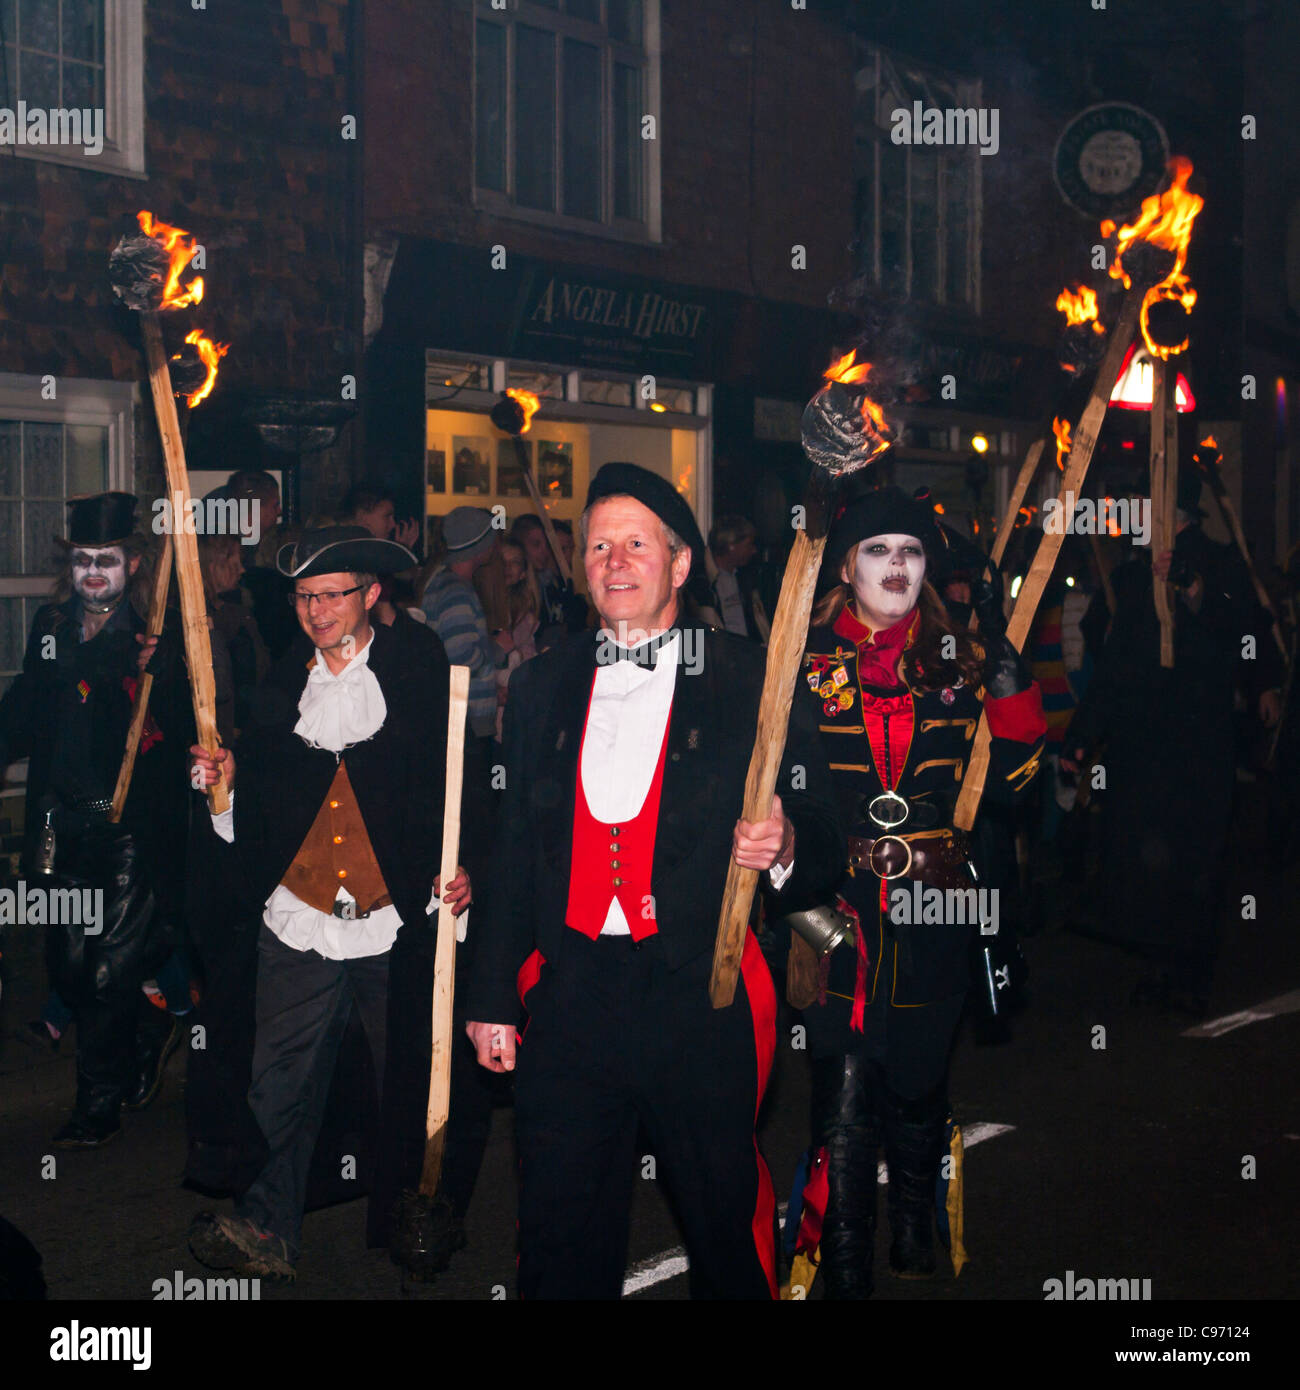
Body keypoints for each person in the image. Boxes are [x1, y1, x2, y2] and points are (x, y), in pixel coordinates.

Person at [463, 461, 844, 1300]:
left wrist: (782, 843)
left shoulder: (754, 680)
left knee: (722, 1224)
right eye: (599, 545)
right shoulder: (536, 687)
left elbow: (827, 838)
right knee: (559, 1230)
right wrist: (491, 995)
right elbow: (515, 853)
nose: (615, 560)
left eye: (638, 543)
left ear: (678, 565)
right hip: (569, 998)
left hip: (698, 994)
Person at [186, 526, 471, 1283]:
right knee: (276, 1081)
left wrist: (464, 868)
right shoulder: (282, 685)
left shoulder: (419, 670)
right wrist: (228, 782)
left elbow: (453, 784)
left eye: (332, 594)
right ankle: (266, 1227)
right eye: (304, 597)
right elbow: (267, 807)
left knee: (407, 1075)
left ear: (372, 594)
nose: (316, 611)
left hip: (392, 918)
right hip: (302, 915)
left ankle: (420, 1214)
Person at [791, 485, 1045, 1299]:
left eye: (909, 552)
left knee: (919, 1079)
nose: (895, 567)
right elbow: (776, 790)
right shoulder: (804, 667)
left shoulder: (958, 660)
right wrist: (794, 891)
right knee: (843, 1089)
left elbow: (1013, 789)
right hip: (837, 900)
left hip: (939, 903)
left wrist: (1012, 695)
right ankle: (845, 1263)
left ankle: (911, 1228)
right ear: (846, 567)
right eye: (877, 551)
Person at [0, 493, 192, 1146]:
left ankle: (97, 1104)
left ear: (132, 563)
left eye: (105, 560)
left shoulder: (153, 635)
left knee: (108, 967)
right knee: (69, 962)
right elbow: (30, 699)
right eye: (82, 559)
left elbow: (195, 727)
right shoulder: (52, 628)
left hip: (127, 826)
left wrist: (155, 677)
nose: (91, 573)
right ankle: (149, 1026)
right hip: (60, 822)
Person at [1060, 472, 1281, 1014]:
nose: (1133, 515)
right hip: (1143, 745)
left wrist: (1195, 589)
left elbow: (1246, 626)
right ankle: (1162, 964)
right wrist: (1083, 735)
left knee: (1192, 858)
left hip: (1197, 742)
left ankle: (1192, 971)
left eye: (1141, 505)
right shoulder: (1134, 576)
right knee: (1147, 858)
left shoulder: (1218, 562)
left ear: (1170, 511)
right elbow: (1113, 666)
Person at [421, 507, 506, 742]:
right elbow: (462, 660)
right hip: (466, 721)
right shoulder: (455, 591)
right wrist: (498, 648)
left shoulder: (448, 584)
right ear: (479, 544)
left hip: (463, 716)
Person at [226, 469, 298, 661]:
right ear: (256, 508)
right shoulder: (219, 552)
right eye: (275, 505)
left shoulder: (279, 546)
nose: (279, 512)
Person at [511, 513, 589, 633]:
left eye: (546, 545)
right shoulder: (515, 588)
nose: (545, 552)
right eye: (536, 544)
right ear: (520, 546)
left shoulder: (549, 585)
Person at [706, 515, 770, 641]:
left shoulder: (746, 579)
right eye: (749, 545)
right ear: (731, 546)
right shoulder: (705, 583)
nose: (754, 551)